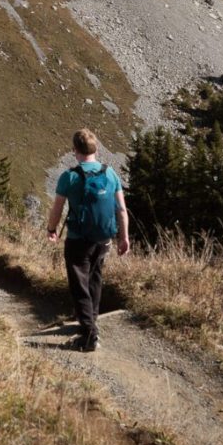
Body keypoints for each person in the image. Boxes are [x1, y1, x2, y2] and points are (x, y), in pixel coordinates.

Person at [45, 128, 130, 352]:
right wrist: (124, 237)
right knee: (95, 280)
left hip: (78, 239)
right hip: (104, 238)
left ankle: (89, 335)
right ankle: (91, 323)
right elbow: (121, 210)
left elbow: (57, 208)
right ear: (96, 149)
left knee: (79, 284)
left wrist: (51, 229)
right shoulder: (110, 174)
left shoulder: (70, 176)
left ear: (75, 150)